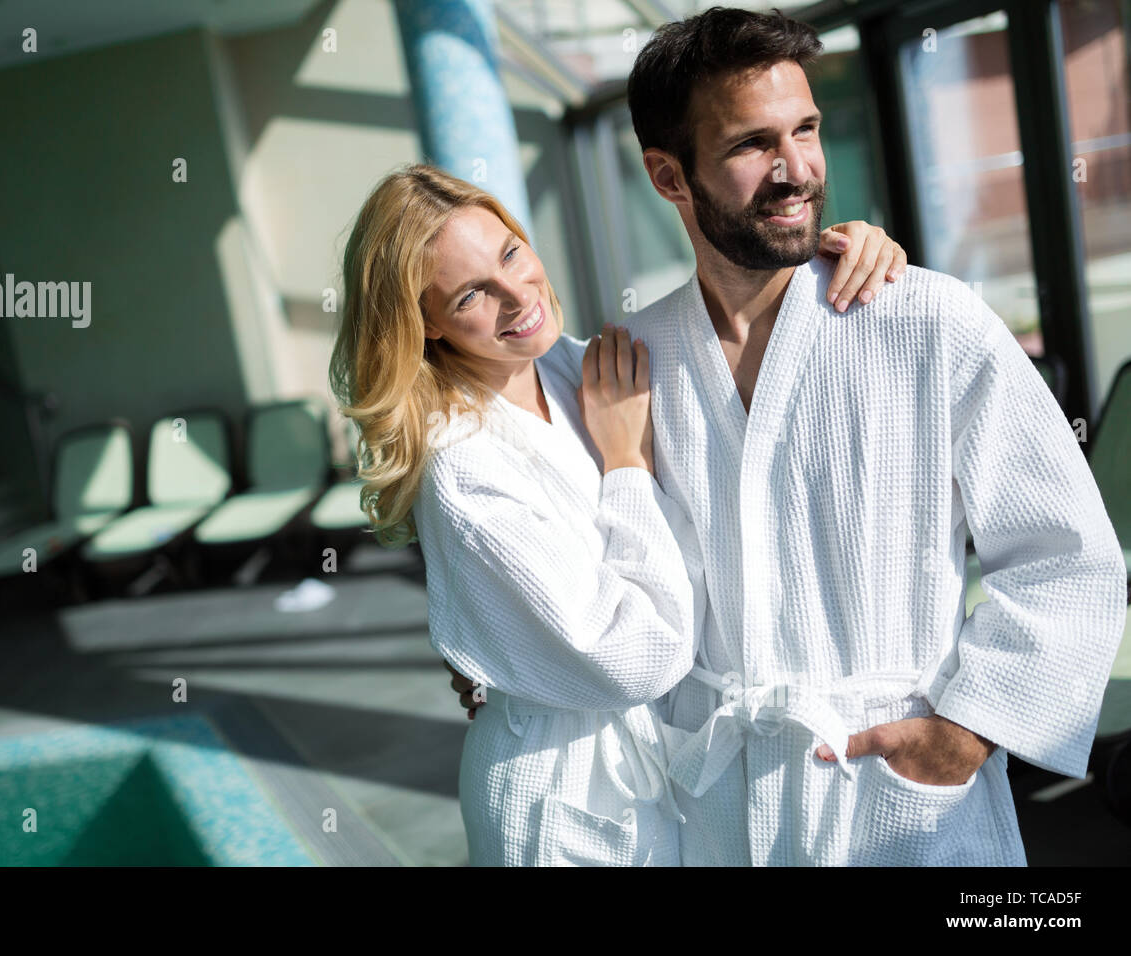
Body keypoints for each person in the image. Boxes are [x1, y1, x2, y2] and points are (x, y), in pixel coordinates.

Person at [611, 6, 1124, 865]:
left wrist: (964, 732)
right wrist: (494, 668)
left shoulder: (926, 319)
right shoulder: (631, 364)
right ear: (669, 177)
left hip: (904, 796)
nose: (797, 170)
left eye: (806, 129)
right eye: (751, 145)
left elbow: (1067, 553)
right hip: (717, 803)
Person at [332, 162, 907, 865]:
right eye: (471, 295)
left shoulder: (575, 367)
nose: (518, 296)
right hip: (564, 801)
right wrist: (626, 463)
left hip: (657, 772)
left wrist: (843, 249)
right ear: (424, 325)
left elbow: (725, 344)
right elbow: (635, 659)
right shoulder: (463, 465)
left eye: (511, 253)